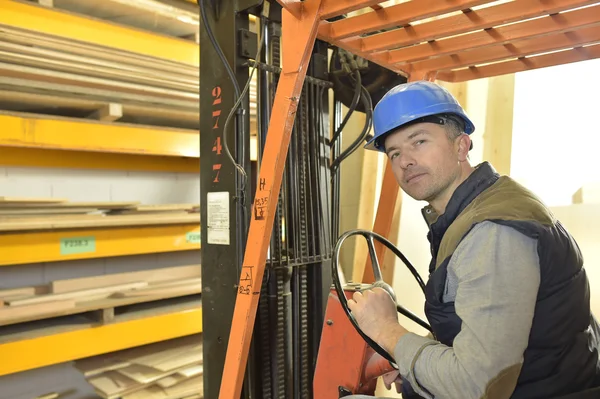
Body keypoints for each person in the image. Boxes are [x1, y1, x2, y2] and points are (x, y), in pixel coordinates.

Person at [346, 81, 600, 399]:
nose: (404, 161)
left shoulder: (493, 231)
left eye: (419, 142)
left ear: (462, 146)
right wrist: (414, 359)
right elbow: (469, 325)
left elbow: (477, 385)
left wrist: (387, 330)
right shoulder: (470, 212)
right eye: (394, 152)